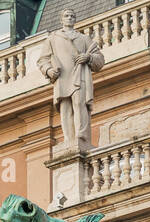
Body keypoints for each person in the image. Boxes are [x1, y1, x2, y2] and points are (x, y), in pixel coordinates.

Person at [37, 8, 105, 152]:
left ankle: (81, 136)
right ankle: (68, 138)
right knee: (66, 108)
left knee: (80, 103)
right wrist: (49, 70)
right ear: (61, 19)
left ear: (75, 19)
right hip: (62, 77)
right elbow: (42, 60)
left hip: (79, 75)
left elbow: (100, 60)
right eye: (67, 16)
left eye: (72, 16)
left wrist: (89, 58)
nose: (70, 18)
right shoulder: (53, 39)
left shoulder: (84, 39)